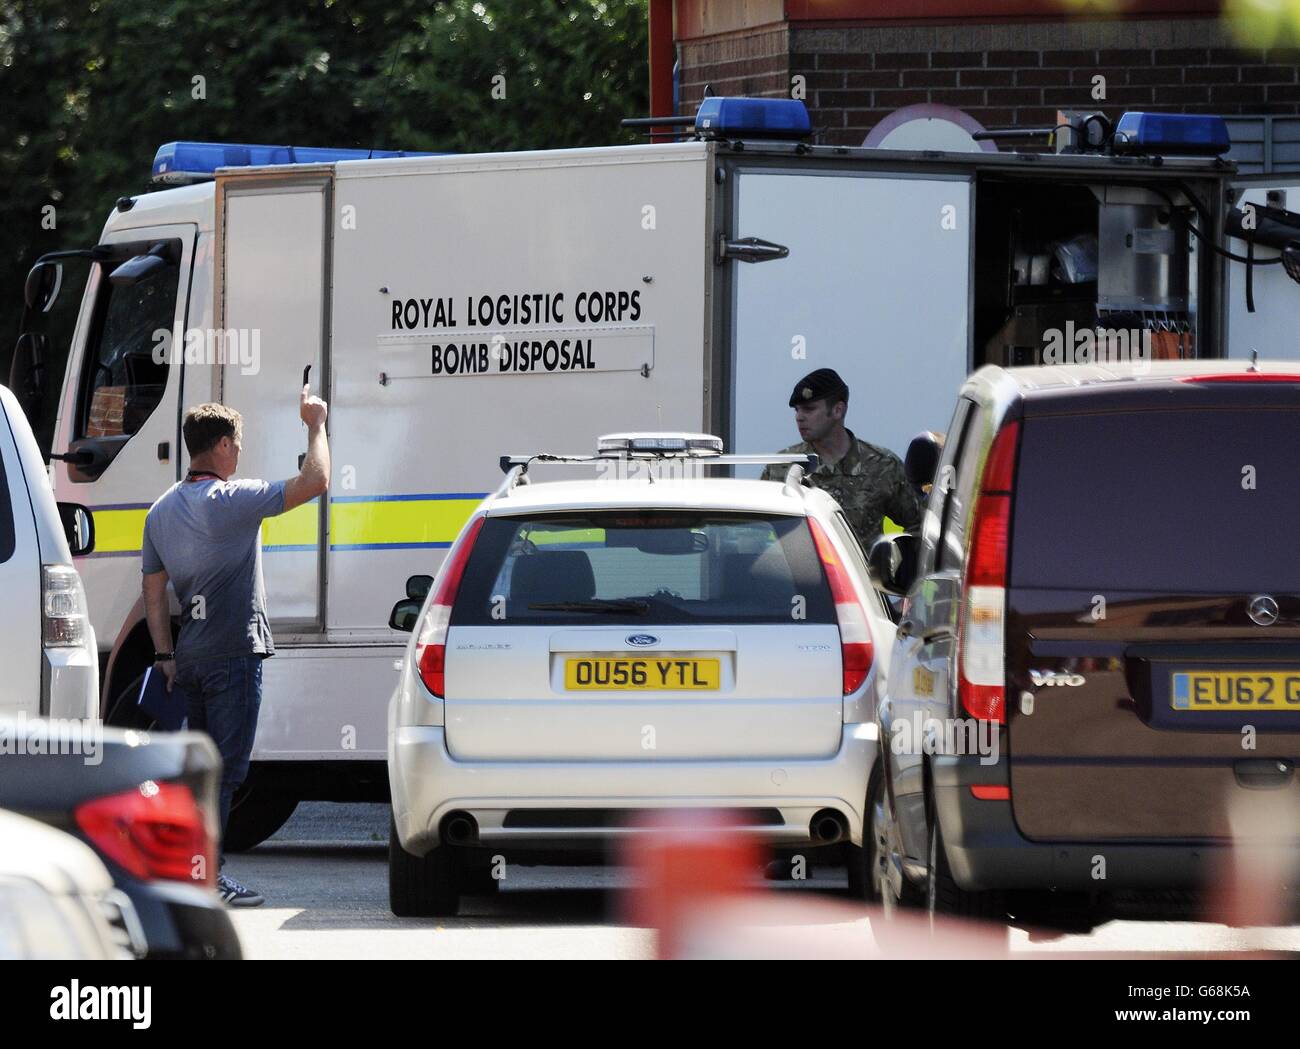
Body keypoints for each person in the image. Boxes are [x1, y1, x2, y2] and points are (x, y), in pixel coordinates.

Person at [141, 386, 329, 906]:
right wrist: (315, 424)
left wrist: (164, 656)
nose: (240, 453)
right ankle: (210, 879)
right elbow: (316, 481)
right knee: (226, 775)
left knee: (201, 776)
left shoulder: (159, 512)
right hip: (233, 655)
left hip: (192, 658)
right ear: (222, 446)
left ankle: (186, 873)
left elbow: (153, 594)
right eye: (238, 444)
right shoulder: (233, 498)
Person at [761, 367, 920, 550]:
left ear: (838, 410)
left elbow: (920, 526)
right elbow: (755, 533)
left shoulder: (881, 465)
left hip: (861, 578)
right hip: (801, 576)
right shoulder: (782, 468)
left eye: (809, 409)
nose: (799, 417)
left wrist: (895, 565)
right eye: (797, 410)